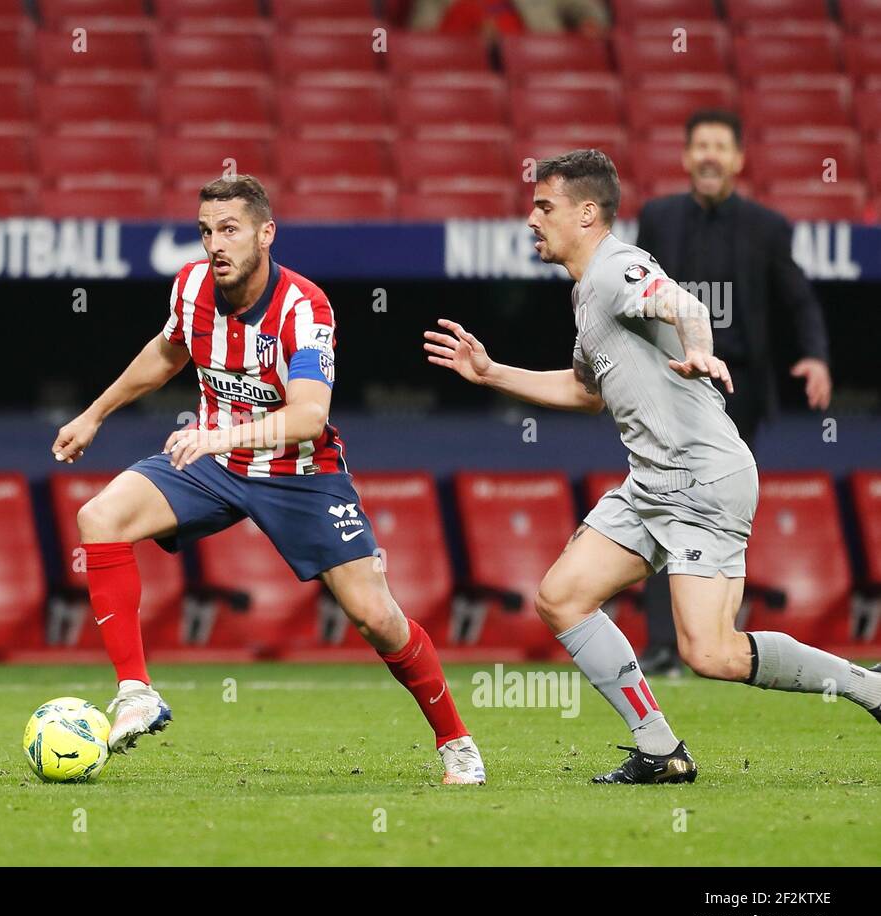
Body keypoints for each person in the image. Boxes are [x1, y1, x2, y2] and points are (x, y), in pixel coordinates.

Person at [423, 149, 879, 784]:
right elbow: (586, 392)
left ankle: (868, 687)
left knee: (711, 652)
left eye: (544, 206)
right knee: (562, 598)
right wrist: (492, 372)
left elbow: (685, 305)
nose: (532, 219)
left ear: (587, 214)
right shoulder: (587, 296)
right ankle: (661, 750)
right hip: (652, 484)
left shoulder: (618, 268)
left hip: (704, 480)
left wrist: (699, 353)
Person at [52, 175, 485, 785]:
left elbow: (311, 414)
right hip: (212, 465)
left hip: (300, 473)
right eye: (206, 232)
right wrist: (94, 414)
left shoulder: (304, 308)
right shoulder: (192, 287)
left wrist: (217, 435)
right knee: (100, 517)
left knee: (375, 616)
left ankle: (456, 743)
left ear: (265, 232)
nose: (215, 245)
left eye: (229, 230)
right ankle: (136, 692)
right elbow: (166, 352)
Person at [634, 109, 832, 675]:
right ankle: (663, 646)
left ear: (740, 159)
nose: (710, 156)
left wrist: (815, 355)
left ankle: (713, 637)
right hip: (670, 386)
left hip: (737, 387)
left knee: (715, 511)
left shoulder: (767, 227)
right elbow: (636, 298)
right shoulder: (658, 217)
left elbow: (799, 299)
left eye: (721, 146)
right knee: (661, 503)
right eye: (701, 145)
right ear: (685, 155)